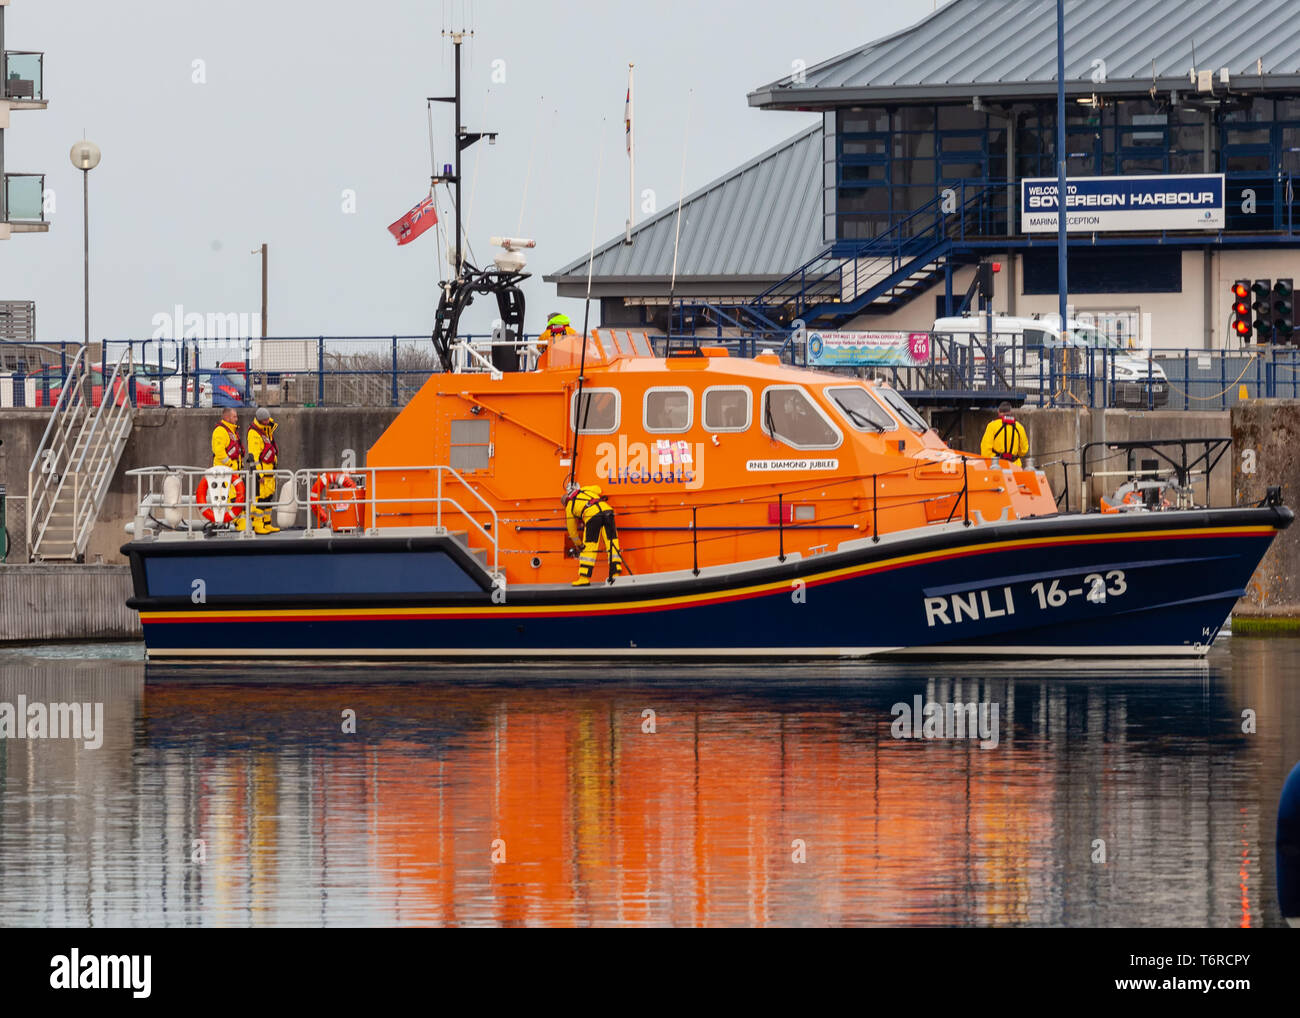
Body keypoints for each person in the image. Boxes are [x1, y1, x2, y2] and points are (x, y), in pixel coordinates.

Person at [564, 483, 624, 586]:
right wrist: (583, 489)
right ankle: (615, 574)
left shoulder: (569, 507)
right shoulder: (586, 491)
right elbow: (598, 488)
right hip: (607, 511)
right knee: (612, 542)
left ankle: (584, 578)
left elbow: (572, 531)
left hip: (592, 516)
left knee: (589, 546)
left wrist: (578, 544)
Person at [210, 408, 247, 530]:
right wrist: (231, 464)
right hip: (225, 472)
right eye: (234, 417)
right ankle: (238, 523)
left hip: (234, 472)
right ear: (227, 417)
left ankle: (240, 523)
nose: (236, 419)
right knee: (232, 497)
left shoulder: (231, 431)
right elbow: (219, 451)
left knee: (238, 497)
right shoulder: (221, 431)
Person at [246, 407, 280, 534]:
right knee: (260, 499)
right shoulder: (254, 433)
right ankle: (258, 525)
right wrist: (258, 474)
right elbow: (254, 456)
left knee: (268, 499)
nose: (267, 421)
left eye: (268, 419)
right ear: (260, 420)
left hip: (270, 472)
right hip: (261, 474)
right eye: (265, 420)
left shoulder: (266, 429)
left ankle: (267, 523)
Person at [980, 401, 1029, 468]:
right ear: (1010, 412)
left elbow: (985, 450)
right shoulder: (1019, 427)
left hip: (997, 466)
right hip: (1015, 466)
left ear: (998, 412)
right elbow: (1024, 450)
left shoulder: (992, 426)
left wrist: (995, 459)